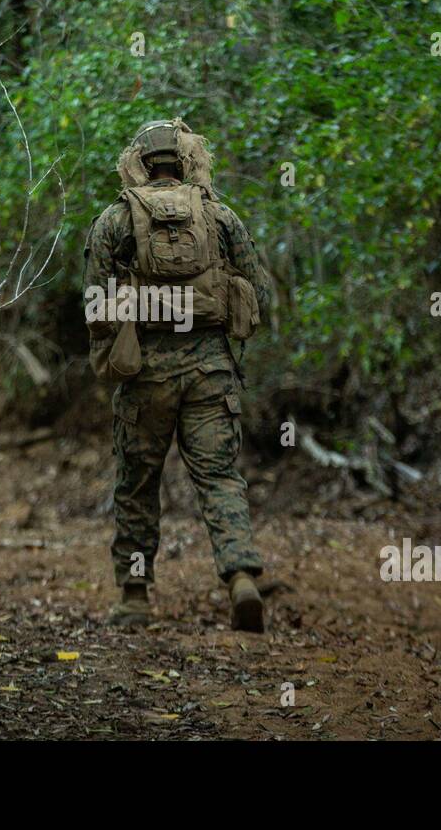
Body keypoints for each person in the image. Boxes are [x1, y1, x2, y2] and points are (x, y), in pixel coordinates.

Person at [82, 118, 272, 631]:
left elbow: (94, 305)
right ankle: (240, 578)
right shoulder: (220, 216)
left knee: (138, 484)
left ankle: (136, 597)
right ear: (187, 160)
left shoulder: (114, 221)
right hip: (211, 371)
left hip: (145, 375)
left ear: (139, 163)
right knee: (218, 478)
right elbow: (261, 296)